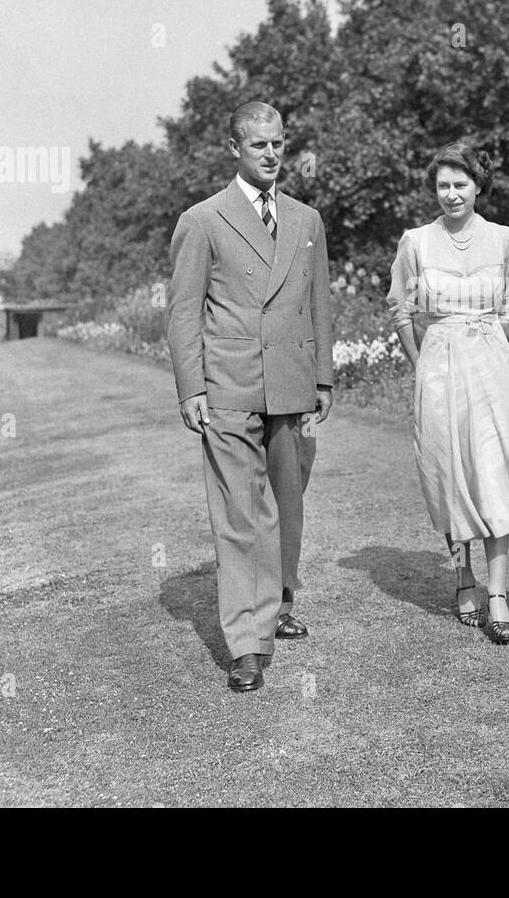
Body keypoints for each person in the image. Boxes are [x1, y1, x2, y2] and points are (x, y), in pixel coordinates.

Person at [167, 101, 334, 693]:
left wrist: (323, 379)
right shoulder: (204, 219)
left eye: (279, 144)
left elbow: (319, 304)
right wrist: (192, 386)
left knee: (287, 504)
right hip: (231, 385)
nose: (270, 154)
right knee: (241, 512)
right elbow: (184, 310)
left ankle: (278, 604)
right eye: (258, 144)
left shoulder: (306, 220)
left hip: (291, 382)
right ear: (234, 148)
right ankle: (246, 642)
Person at [387, 142, 509, 645]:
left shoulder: (504, 239)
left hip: (493, 370)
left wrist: (497, 341)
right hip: (439, 372)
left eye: (460, 185)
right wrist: (424, 360)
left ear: (478, 186)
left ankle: (496, 593)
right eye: (443, 186)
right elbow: (402, 311)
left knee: (494, 472)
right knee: (450, 471)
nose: (451, 195)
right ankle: (462, 577)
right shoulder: (416, 242)